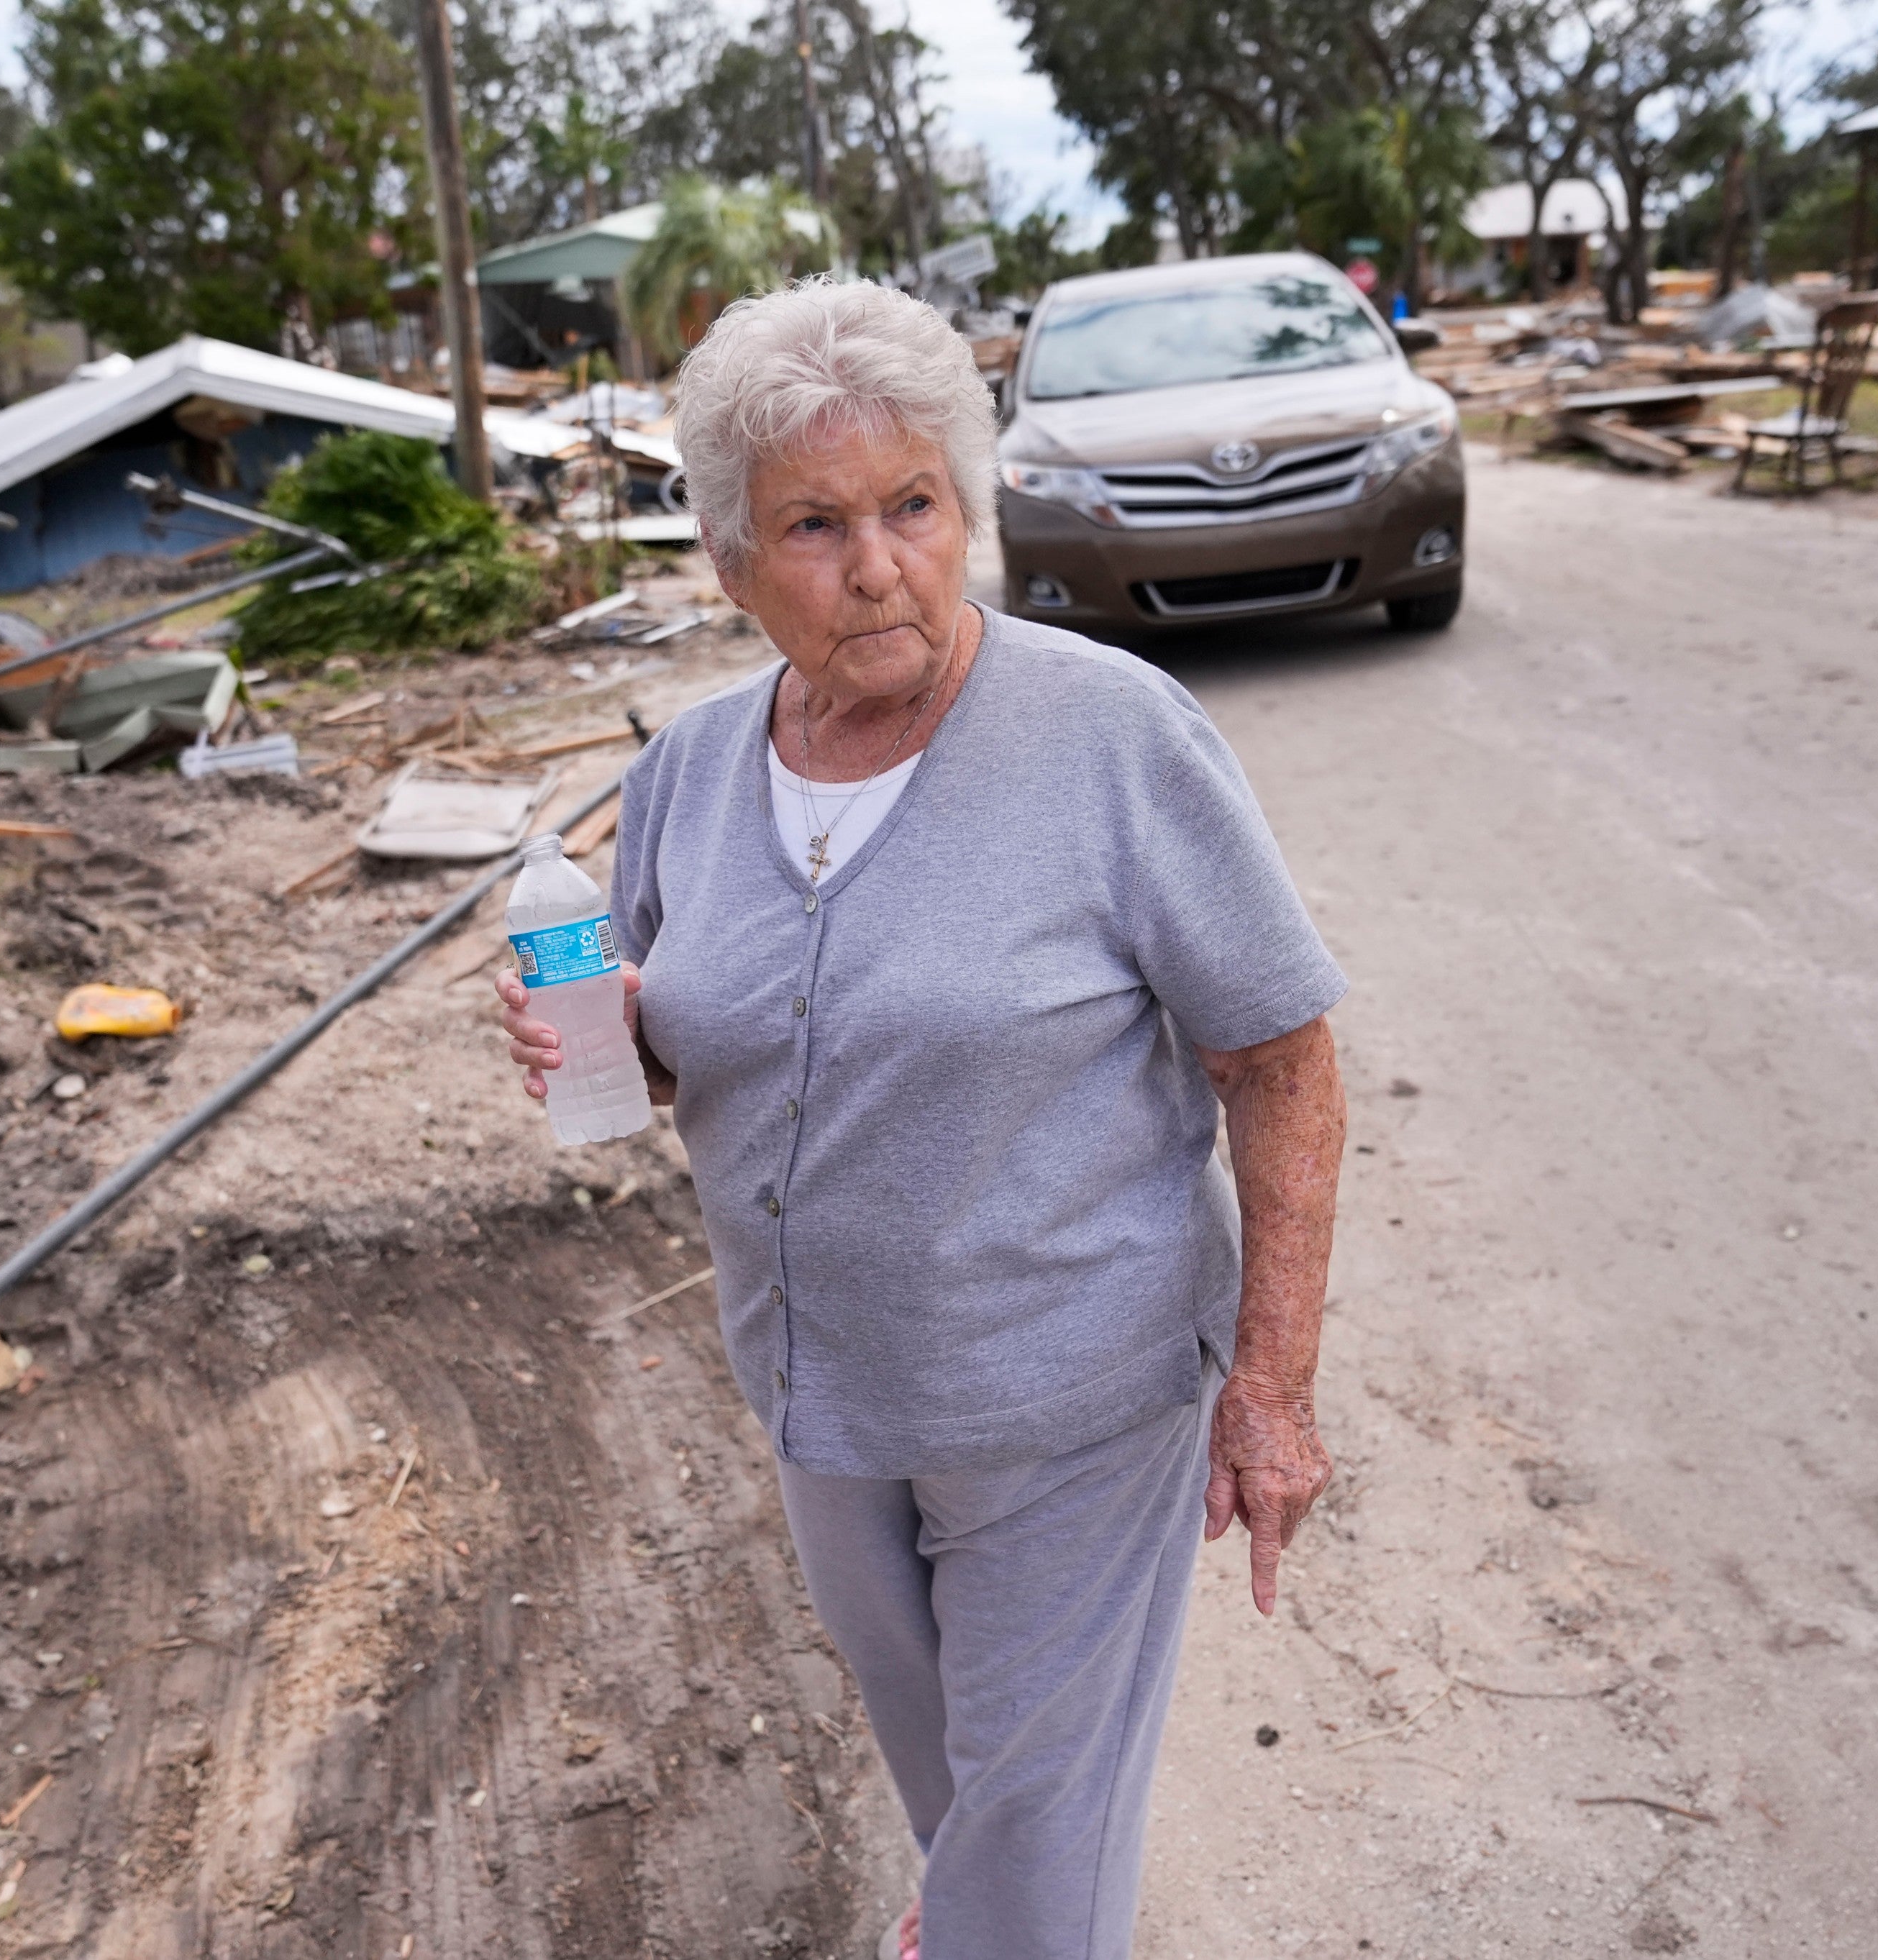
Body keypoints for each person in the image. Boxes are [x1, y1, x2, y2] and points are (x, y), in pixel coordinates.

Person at [495, 278, 1348, 1960]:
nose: (876, 565)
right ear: (730, 561)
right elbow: (687, 1041)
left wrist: (1272, 1389)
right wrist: (609, 1044)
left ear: (968, 512)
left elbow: (1282, 1061)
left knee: (1032, 1838)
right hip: (820, 1394)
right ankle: (975, 1903)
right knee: (954, 1769)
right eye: (814, 525)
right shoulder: (686, 775)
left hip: (1068, 1398)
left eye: (912, 507)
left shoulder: (1111, 737)